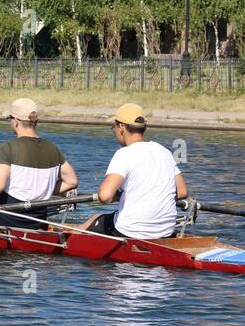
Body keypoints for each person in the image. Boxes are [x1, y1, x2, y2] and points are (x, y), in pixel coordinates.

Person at [79, 103, 189, 240]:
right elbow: (183, 191)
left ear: (121, 127)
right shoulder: (164, 151)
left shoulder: (124, 154)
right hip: (165, 231)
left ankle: (65, 238)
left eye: (114, 128)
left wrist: (120, 196)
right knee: (103, 218)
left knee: (95, 219)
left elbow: (105, 197)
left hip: (130, 232)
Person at [0, 98, 78, 228]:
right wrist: (45, 189)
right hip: (37, 221)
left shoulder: (8, 147)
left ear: (16, 121)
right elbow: (72, 181)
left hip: (7, 219)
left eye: (9, 119)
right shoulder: (52, 149)